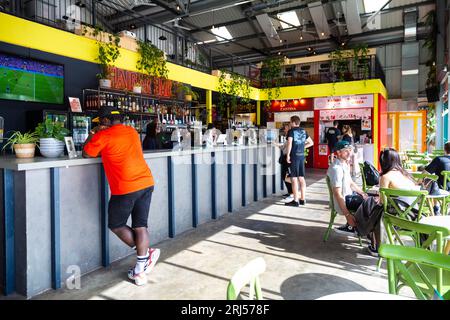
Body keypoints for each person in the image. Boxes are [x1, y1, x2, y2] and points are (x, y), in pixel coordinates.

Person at [83, 106, 160, 286]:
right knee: (140, 226)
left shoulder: (103, 135)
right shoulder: (132, 131)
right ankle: (141, 268)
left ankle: (146, 256)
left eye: (100, 121)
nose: (100, 124)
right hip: (146, 182)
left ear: (106, 121)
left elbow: (86, 153)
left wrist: (94, 132)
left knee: (116, 224)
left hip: (125, 187)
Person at [327, 140, 368, 234]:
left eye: (350, 149)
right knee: (372, 206)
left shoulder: (344, 164)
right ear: (338, 152)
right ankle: (365, 232)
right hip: (344, 202)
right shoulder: (336, 169)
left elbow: (351, 183)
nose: (349, 152)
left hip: (349, 197)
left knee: (372, 200)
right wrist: (347, 215)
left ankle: (364, 231)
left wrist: (362, 193)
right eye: (346, 150)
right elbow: (337, 194)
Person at [285, 116, 314, 206]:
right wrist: (302, 147)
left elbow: (289, 143)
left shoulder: (291, 131)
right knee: (301, 178)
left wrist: (288, 155)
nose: (290, 123)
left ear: (293, 122)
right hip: (301, 156)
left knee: (293, 178)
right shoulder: (303, 131)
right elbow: (311, 142)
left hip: (294, 156)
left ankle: (296, 200)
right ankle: (303, 199)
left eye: (290, 122)